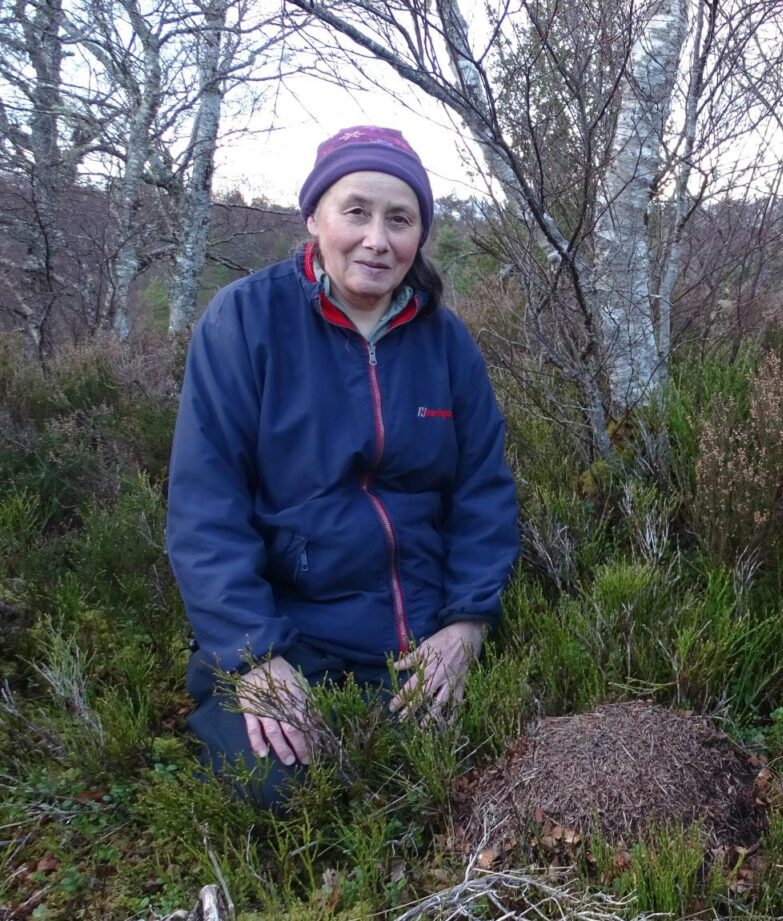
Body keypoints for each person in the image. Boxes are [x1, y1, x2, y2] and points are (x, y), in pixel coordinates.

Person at [166, 126, 521, 809]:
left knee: (452, 779)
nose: (376, 240)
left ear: (420, 233)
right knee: (284, 792)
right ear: (314, 218)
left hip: (417, 635)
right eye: (355, 211)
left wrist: (467, 625)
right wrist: (254, 657)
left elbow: (484, 491)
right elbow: (204, 507)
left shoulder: (445, 341)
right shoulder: (244, 322)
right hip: (288, 633)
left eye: (400, 218)